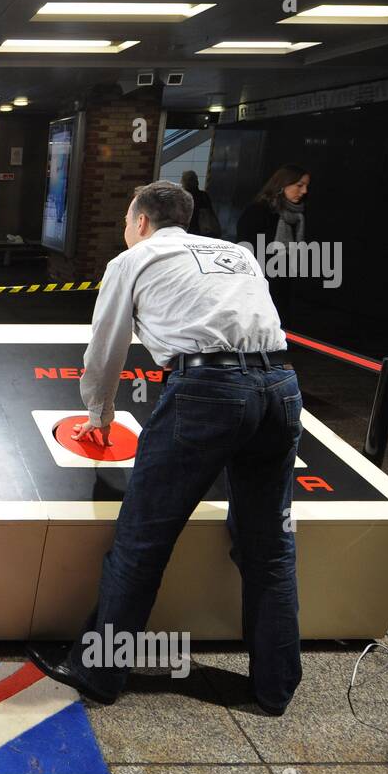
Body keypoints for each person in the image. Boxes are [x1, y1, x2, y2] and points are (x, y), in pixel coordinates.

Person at [26, 181, 302, 716]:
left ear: (141, 221)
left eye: (127, 220)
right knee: (269, 545)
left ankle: (100, 672)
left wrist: (99, 414)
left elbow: (107, 346)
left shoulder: (135, 259)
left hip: (207, 392)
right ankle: (276, 687)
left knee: (142, 539)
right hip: (280, 387)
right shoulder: (235, 255)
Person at [236, 165, 310, 315]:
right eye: (299, 185)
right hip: (258, 290)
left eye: (306, 186)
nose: (304, 191)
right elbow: (244, 250)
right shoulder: (259, 211)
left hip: (283, 289)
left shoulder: (297, 217)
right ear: (283, 184)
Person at [181, 170, 219, 237]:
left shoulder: (182, 196)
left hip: (186, 229)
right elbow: (210, 213)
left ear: (184, 182)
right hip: (203, 230)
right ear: (196, 181)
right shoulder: (203, 195)